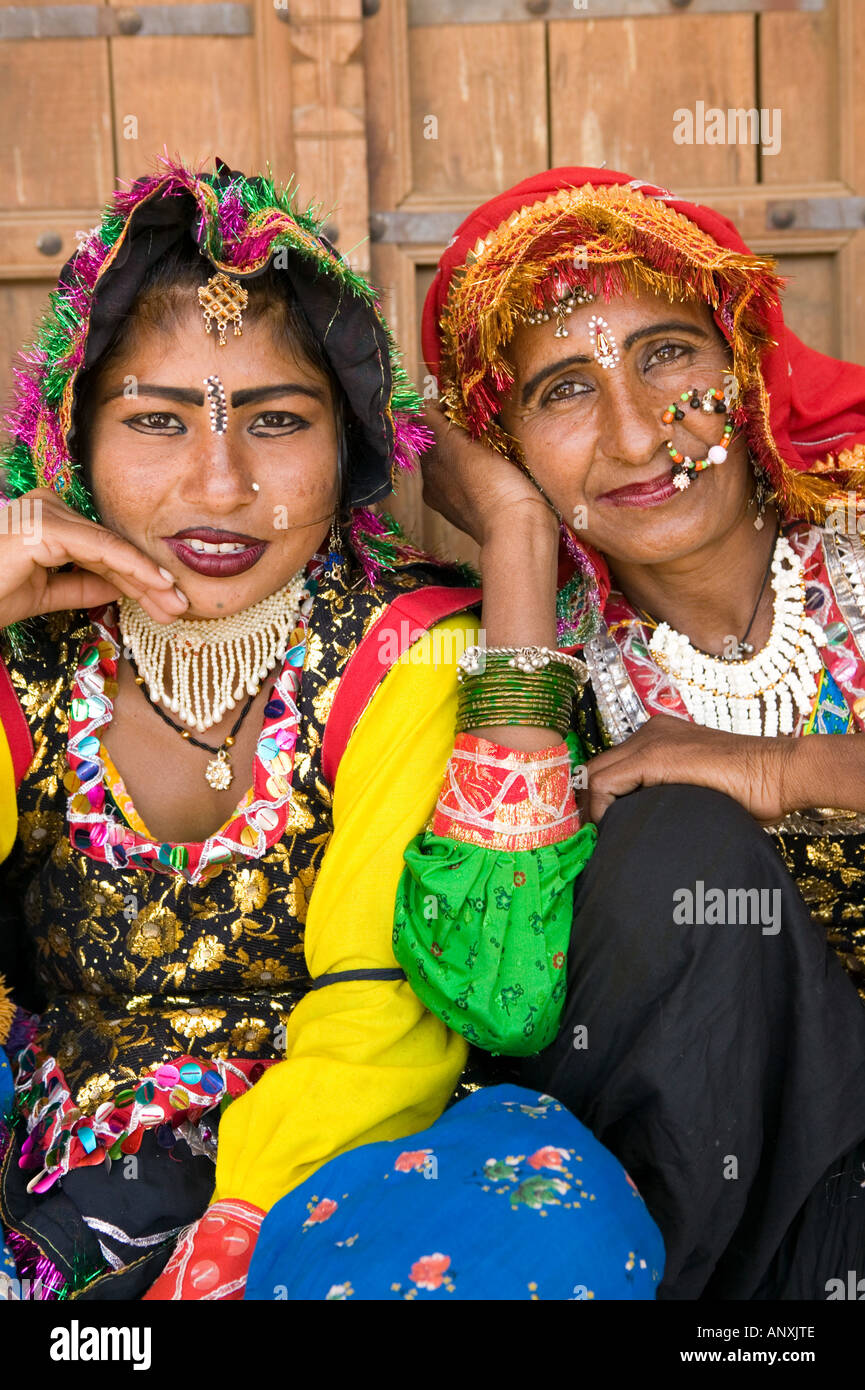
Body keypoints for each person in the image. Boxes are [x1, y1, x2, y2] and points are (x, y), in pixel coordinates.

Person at [0, 155, 658, 1301]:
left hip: (335, 1175)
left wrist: (513, 530)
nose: (220, 481)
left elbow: (439, 1004)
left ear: (350, 448)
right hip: (55, 1167)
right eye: (157, 422)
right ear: (73, 447)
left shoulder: (398, 652)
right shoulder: (23, 651)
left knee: (545, 1231)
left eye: (279, 422)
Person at [409, 166, 865, 1299]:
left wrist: (780, 767)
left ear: (742, 367)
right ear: (499, 443)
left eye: (668, 355)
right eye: (562, 390)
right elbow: (494, 996)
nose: (633, 431)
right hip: (712, 1222)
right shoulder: (521, 667)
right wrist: (518, 545)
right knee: (673, 857)